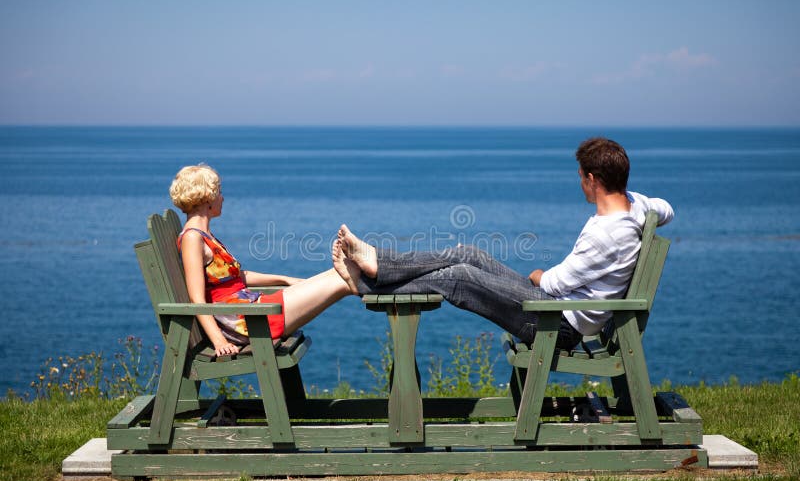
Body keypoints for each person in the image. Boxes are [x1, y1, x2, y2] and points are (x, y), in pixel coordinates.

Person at [332, 137, 674, 350]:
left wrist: (539, 275)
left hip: (557, 324)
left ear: (592, 179)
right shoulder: (636, 207)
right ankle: (380, 263)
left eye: (581, 177)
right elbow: (666, 209)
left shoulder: (605, 234)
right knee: (469, 253)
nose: (580, 184)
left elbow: (556, 283)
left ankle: (368, 285)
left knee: (460, 277)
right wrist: (642, 206)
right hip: (557, 309)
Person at [170, 164, 352, 357]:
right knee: (345, 277)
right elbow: (197, 299)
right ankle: (379, 278)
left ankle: (376, 276)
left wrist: (285, 280)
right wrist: (219, 340)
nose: (222, 198)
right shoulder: (192, 238)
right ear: (207, 198)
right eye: (219, 192)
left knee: (341, 274)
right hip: (248, 323)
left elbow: (239, 277)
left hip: (253, 310)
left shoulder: (205, 236)